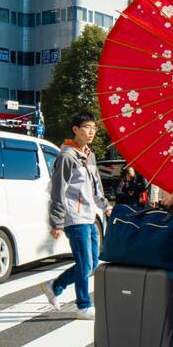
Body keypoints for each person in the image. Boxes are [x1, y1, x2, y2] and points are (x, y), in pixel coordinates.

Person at [42, 112, 109, 320]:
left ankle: (55, 285)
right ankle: (83, 305)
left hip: (90, 216)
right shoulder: (66, 156)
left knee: (91, 263)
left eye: (94, 128)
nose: (92, 132)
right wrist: (57, 221)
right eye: (87, 127)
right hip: (74, 217)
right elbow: (57, 190)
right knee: (83, 264)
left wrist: (105, 206)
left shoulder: (89, 155)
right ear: (75, 129)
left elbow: (96, 185)